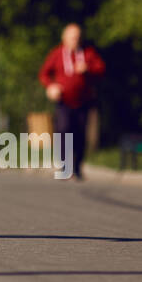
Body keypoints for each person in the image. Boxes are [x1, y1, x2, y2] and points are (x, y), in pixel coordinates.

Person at [37, 23, 105, 180]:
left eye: (78, 37)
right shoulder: (57, 54)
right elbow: (44, 74)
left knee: (80, 134)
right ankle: (65, 166)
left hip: (83, 101)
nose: (76, 40)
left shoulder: (88, 54)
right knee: (64, 129)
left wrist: (88, 69)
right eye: (72, 37)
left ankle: (78, 167)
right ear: (65, 38)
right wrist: (51, 86)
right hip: (64, 101)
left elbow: (101, 69)